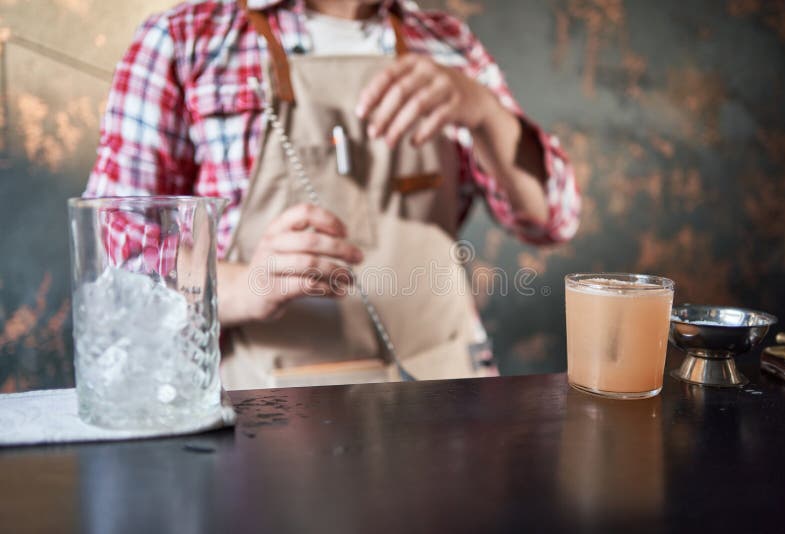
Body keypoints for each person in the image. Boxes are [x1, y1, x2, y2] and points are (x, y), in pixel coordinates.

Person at [85, 0, 581, 389]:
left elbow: (550, 220)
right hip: (272, 412)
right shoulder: (185, 40)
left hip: (449, 391)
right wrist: (245, 286)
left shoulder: (448, 41)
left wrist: (485, 112)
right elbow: (118, 261)